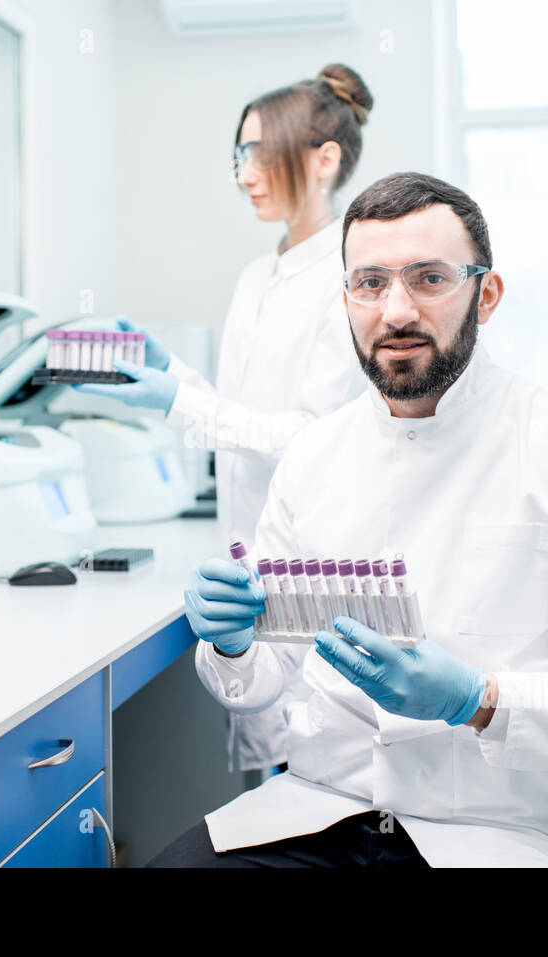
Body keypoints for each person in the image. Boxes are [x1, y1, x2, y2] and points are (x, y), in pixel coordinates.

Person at [149, 171, 548, 867]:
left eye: (429, 279)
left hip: (494, 833)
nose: (397, 310)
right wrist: (233, 642)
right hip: (318, 807)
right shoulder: (312, 457)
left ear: (487, 293)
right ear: (346, 299)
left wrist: (481, 699)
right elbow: (266, 677)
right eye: (370, 283)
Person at [76, 65, 372, 776]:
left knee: (308, 777)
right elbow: (243, 409)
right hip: (244, 558)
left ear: (323, 159)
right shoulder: (255, 276)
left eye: (258, 153)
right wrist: (171, 371)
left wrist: (180, 404)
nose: (244, 174)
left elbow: (310, 434)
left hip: (304, 565)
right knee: (260, 762)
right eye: (238, 156)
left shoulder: (349, 277)